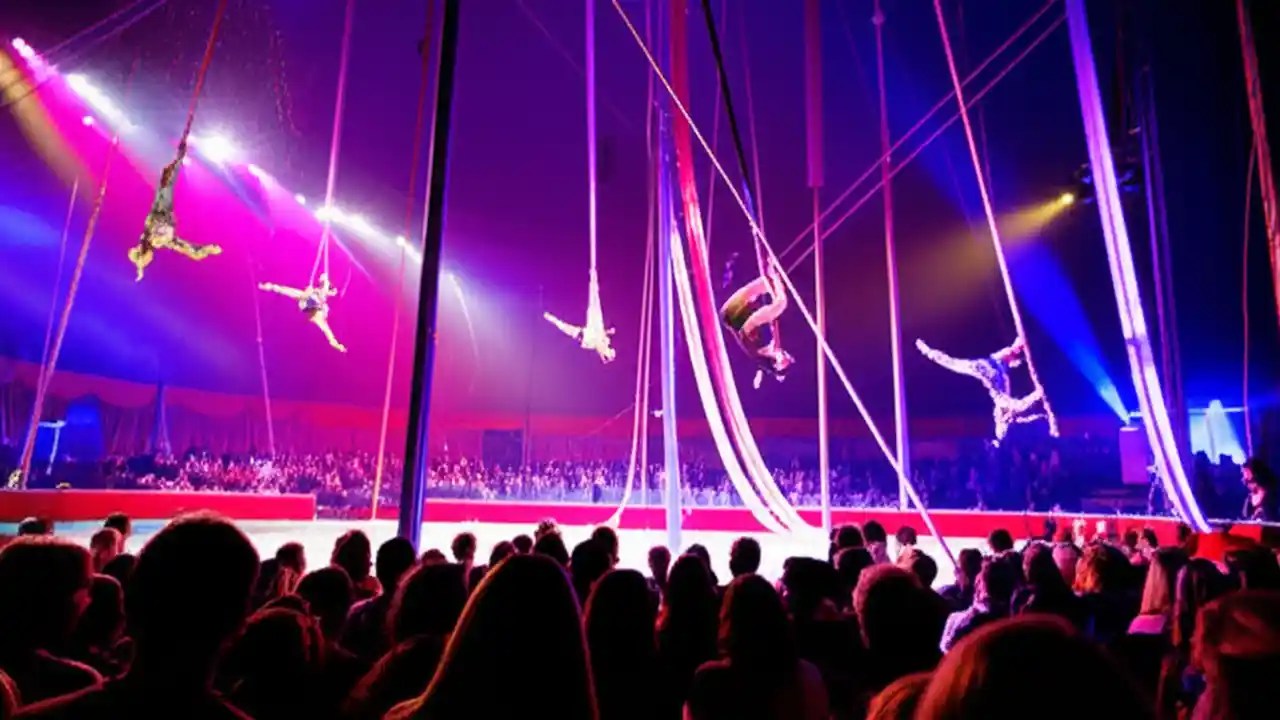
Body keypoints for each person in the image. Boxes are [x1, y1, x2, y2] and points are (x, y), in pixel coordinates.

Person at [915, 337, 1049, 444]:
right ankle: (1018, 346)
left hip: (990, 369)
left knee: (953, 363)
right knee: (955, 363)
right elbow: (1021, 409)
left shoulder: (1002, 404)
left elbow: (1019, 409)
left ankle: (928, 352)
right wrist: (1038, 399)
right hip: (995, 370)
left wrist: (1037, 396)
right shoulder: (1008, 408)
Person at [128, 144, 222, 282]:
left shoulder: (147, 241)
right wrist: (208, 250)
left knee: (166, 184)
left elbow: (141, 254)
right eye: (148, 260)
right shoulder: (164, 242)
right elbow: (188, 249)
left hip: (160, 211)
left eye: (147, 258)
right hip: (166, 215)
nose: (150, 259)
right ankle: (176, 161)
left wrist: (140, 270)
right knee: (166, 185)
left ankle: (177, 160)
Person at [720, 267, 794, 389]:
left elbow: (768, 365)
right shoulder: (765, 356)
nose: (784, 354)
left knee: (780, 303)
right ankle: (772, 275)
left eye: (785, 359)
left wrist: (776, 368)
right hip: (732, 315)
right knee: (766, 285)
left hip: (735, 318)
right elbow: (765, 367)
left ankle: (773, 276)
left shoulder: (764, 356)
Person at [258, 273, 347, 352]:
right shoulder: (314, 298)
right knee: (308, 295)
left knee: (313, 296)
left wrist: (337, 345)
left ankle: (318, 293)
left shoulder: (318, 313)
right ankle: (317, 293)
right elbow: (283, 290)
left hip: (309, 303)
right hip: (308, 302)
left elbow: (328, 333)